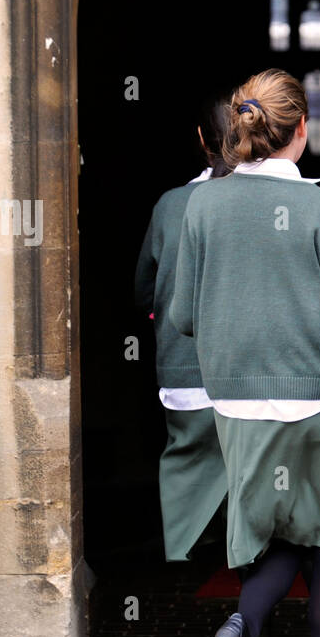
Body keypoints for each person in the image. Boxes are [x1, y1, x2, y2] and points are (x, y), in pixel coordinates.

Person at [170, 69, 320, 637]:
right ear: (302, 131)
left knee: (281, 538)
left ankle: (243, 627)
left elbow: (181, 314)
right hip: (316, 400)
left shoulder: (202, 207)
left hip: (235, 403)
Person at [133, 93, 232, 567]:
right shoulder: (265, 206)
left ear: (199, 139)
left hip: (183, 376)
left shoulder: (170, 206)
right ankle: (253, 615)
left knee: (197, 476)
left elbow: (144, 292)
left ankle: (198, 546)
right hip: (253, 380)